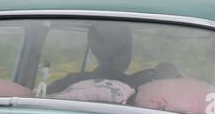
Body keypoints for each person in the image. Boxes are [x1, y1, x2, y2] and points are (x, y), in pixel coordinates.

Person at [46, 22, 178, 95]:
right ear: (126, 51)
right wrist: (168, 79)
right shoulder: (141, 88)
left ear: (93, 49)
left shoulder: (68, 82)